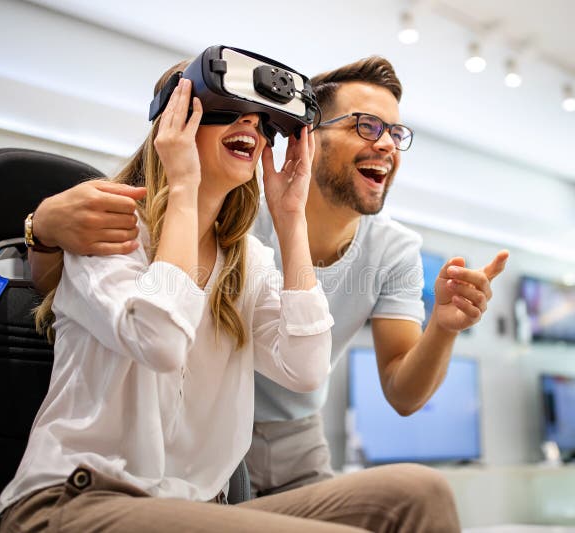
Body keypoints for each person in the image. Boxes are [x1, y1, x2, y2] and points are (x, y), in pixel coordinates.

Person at [28, 55, 503, 525]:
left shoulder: (247, 254)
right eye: (367, 126)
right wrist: (49, 226)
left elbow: (308, 367)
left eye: (260, 122)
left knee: (420, 492)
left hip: (232, 468)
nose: (251, 129)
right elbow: (156, 338)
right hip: (95, 490)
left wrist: (290, 216)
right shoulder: (114, 226)